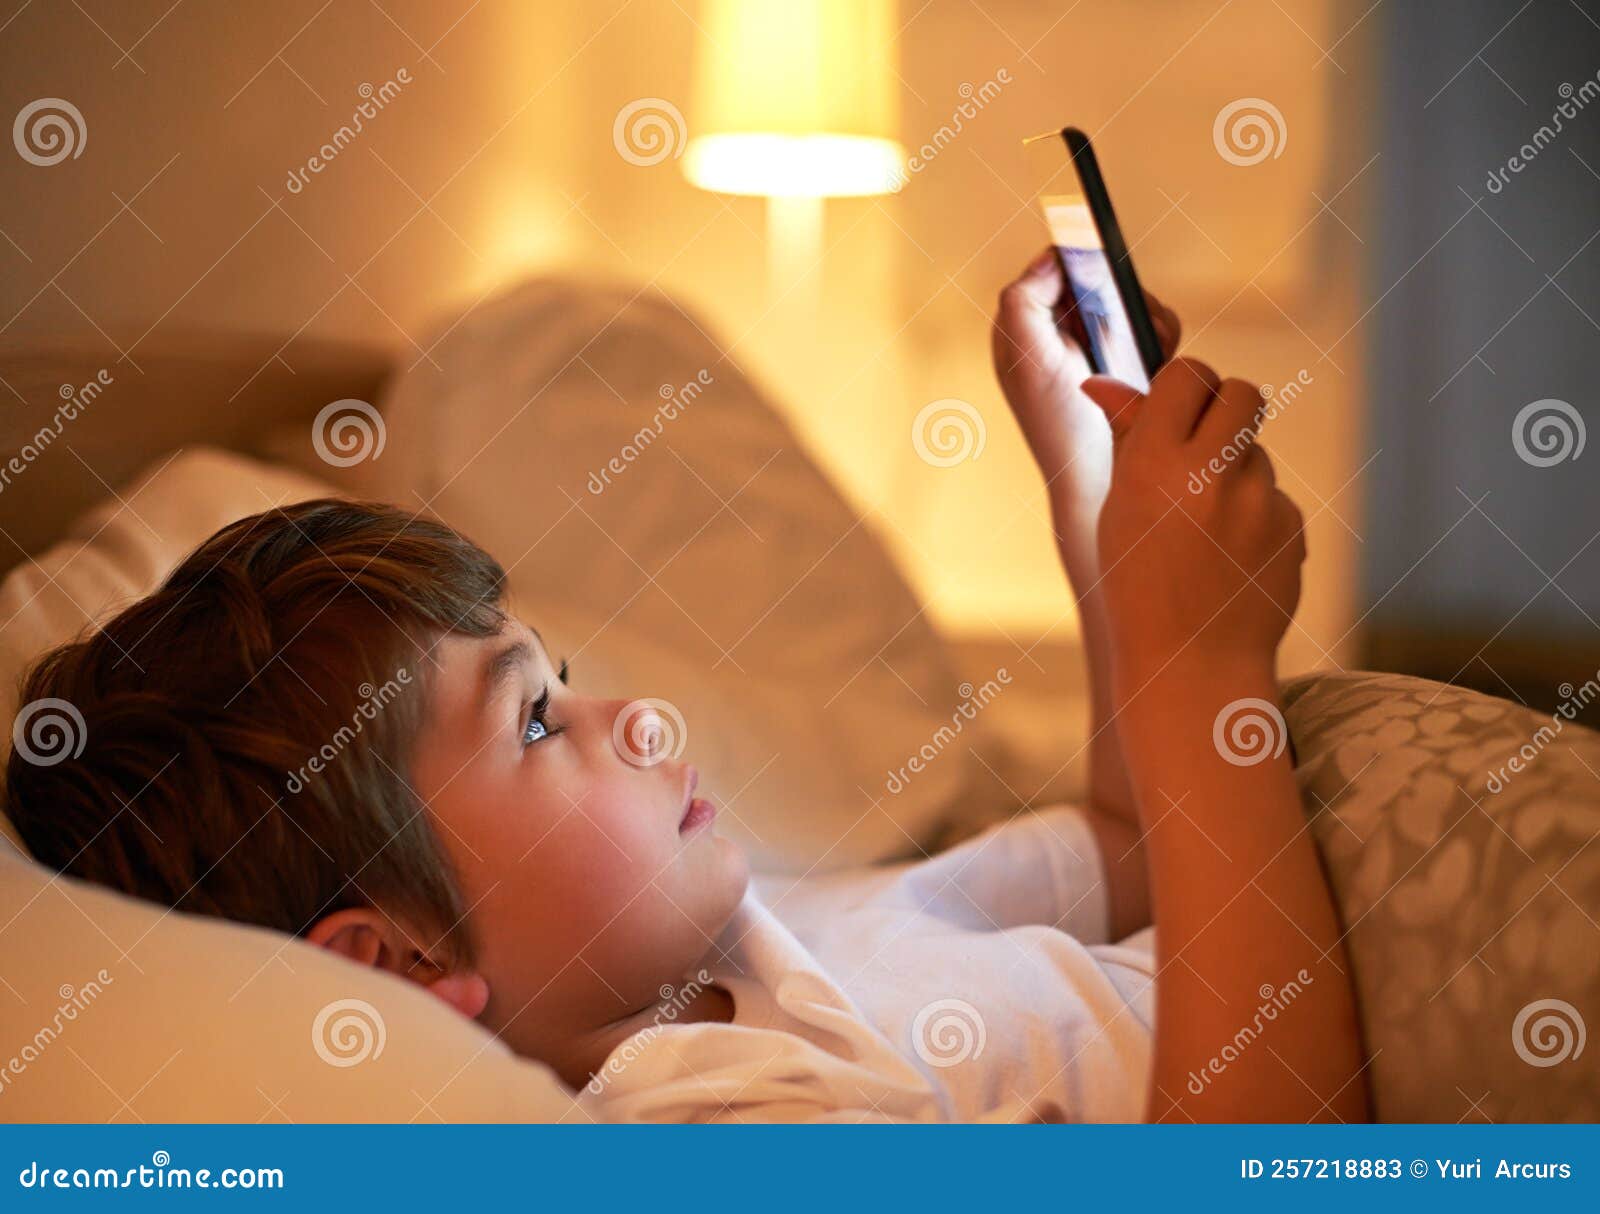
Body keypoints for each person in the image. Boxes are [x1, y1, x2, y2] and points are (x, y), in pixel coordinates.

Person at [3, 250, 1367, 1122]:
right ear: (398, 960)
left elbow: (1134, 857)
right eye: (536, 718)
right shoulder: (721, 1123)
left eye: (569, 683)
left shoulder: (781, 928)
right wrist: (1203, 665)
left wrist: (1094, 507)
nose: (638, 715)